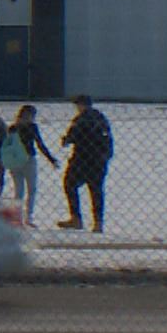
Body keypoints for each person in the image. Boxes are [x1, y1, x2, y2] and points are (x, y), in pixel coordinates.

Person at [57, 95, 114, 232]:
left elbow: (72, 136)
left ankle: (76, 218)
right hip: (99, 160)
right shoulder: (101, 118)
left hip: (81, 159)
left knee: (69, 184)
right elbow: (108, 138)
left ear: (81, 105)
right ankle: (98, 222)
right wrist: (106, 155)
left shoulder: (80, 119)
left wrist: (66, 140)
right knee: (96, 190)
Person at [2, 104, 59, 226]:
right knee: (26, 190)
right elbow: (39, 144)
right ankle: (24, 217)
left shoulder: (17, 128)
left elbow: (7, 146)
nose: (32, 118)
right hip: (23, 160)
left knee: (25, 190)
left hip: (21, 160)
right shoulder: (24, 128)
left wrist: (51, 159)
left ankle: (23, 217)